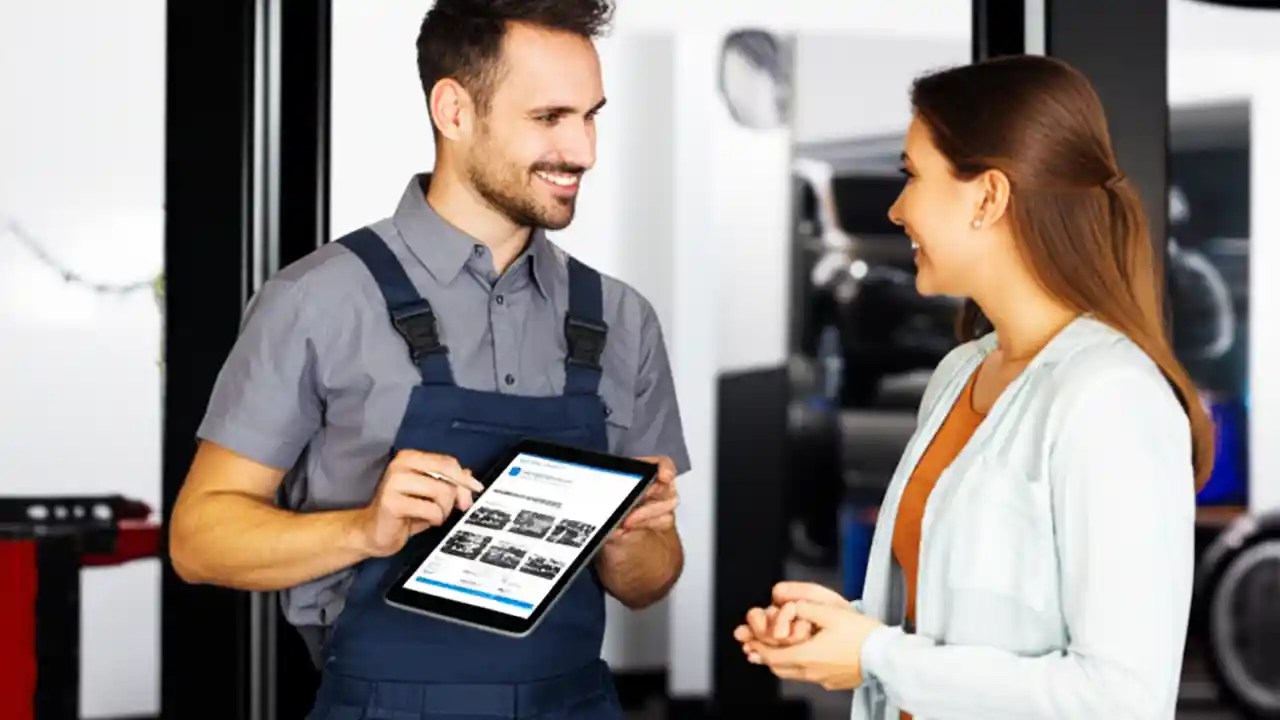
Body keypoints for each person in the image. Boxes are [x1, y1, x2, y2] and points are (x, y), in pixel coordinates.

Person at [167, 2, 690, 718]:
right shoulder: (317, 300)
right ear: (453, 110)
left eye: (590, 117)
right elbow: (198, 541)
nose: (583, 151)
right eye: (549, 118)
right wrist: (361, 529)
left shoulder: (622, 319)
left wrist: (632, 538)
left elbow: (648, 582)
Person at [734, 54, 1215, 719]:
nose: (897, 209)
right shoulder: (961, 373)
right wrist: (847, 631)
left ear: (988, 197)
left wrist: (876, 654)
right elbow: (952, 627)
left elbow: (1119, 699)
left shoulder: (1110, 398)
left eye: (911, 176)